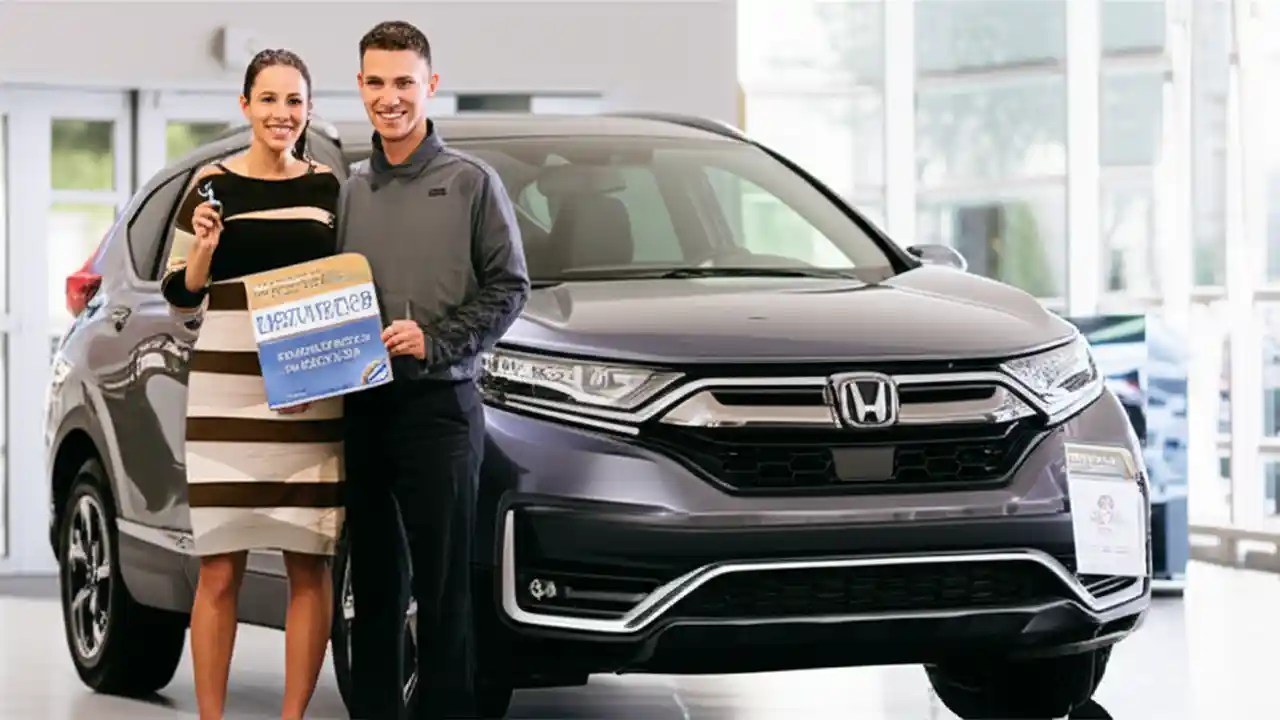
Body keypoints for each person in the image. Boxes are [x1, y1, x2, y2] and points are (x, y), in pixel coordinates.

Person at [335, 19, 530, 720]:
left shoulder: (472, 183)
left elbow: (510, 287)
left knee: (445, 596)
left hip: (440, 413)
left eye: (405, 83)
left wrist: (436, 341)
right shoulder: (351, 191)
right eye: (377, 83)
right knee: (374, 594)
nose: (391, 98)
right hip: (363, 412)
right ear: (360, 87)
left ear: (431, 86)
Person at [161, 48, 342, 720]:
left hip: (309, 393)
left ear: (309, 110)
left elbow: (341, 293)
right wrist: (206, 247)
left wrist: (319, 376)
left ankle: (292, 716)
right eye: (268, 99)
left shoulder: (329, 188)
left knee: (308, 563)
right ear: (245, 106)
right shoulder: (211, 184)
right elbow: (181, 295)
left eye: (294, 101)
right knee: (218, 566)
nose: (282, 114)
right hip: (225, 389)